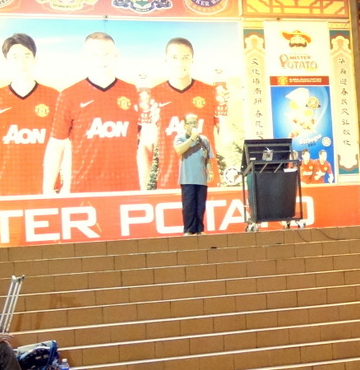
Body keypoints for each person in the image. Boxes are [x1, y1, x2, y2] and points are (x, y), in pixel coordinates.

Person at [42, 32, 142, 194]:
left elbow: (147, 140)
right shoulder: (69, 95)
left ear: (116, 55)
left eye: (107, 54)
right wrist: (47, 189)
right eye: (95, 54)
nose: (101, 59)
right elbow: (56, 144)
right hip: (83, 188)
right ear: (85, 57)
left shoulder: (134, 93)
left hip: (127, 188)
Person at [140, 37, 226, 191]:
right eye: (174, 57)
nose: (180, 63)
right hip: (170, 181)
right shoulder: (154, 95)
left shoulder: (209, 92)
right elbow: (147, 143)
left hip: (206, 180)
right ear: (166, 60)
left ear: (192, 60)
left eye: (185, 58)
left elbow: (225, 140)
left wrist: (225, 114)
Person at [0, 33, 59, 197]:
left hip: (46, 186)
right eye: (14, 56)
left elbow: (64, 143)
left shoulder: (53, 96)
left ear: (35, 59)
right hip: (8, 185)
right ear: (6, 60)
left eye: (27, 55)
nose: (21, 62)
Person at [175, 113, 212, 236]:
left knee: (200, 206)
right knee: (189, 205)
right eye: (190, 123)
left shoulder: (204, 140)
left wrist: (209, 172)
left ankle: (199, 229)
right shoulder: (180, 138)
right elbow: (179, 150)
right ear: (185, 125)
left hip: (201, 178)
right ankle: (189, 230)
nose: (193, 125)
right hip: (187, 179)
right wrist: (192, 138)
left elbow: (208, 158)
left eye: (195, 122)